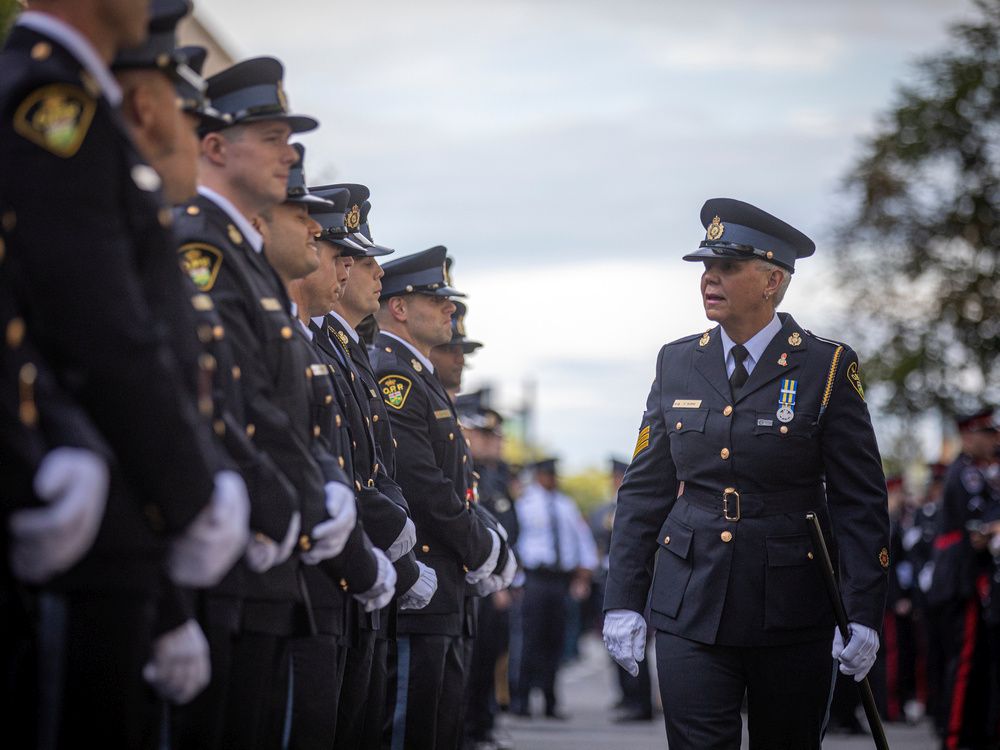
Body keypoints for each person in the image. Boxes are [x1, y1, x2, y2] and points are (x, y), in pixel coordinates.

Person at [0, 2, 249, 745]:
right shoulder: (50, 103)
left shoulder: (78, 104)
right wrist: (192, 491)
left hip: (124, 518)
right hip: (82, 510)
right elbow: (96, 330)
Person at [603, 198, 890, 749]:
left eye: (728, 267)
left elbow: (861, 501)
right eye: (706, 268)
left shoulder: (826, 366)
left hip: (792, 603)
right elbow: (644, 489)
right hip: (692, 596)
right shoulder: (678, 360)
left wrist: (863, 611)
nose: (709, 278)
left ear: (772, 281)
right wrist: (623, 598)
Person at [372, 246, 511, 749]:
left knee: (439, 727)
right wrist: (486, 549)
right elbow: (422, 486)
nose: (451, 309)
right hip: (421, 584)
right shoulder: (395, 375)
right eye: (437, 298)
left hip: (443, 587)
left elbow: (452, 486)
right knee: (413, 730)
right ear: (401, 308)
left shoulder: (417, 376)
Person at [926, 409, 1000, 750]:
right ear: (971, 437)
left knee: (972, 658)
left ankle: (964, 731)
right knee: (965, 659)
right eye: (988, 434)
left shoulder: (972, 472)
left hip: (961, 576)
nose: (994, 441)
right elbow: (977, 533)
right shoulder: (967, 474)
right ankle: (955, 736)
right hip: (962, 577)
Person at [513, 457, 598, 720]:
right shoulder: (524, 503)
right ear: (538, 476)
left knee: (555, 640)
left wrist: (584, 571)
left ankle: (550, 700)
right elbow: (515, 539)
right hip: (535, 578)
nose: (551, 479)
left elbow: (580, 540)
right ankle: (521, 700)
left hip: (560, 580)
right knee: (529, 640)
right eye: (547, 475)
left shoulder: (565, 504)